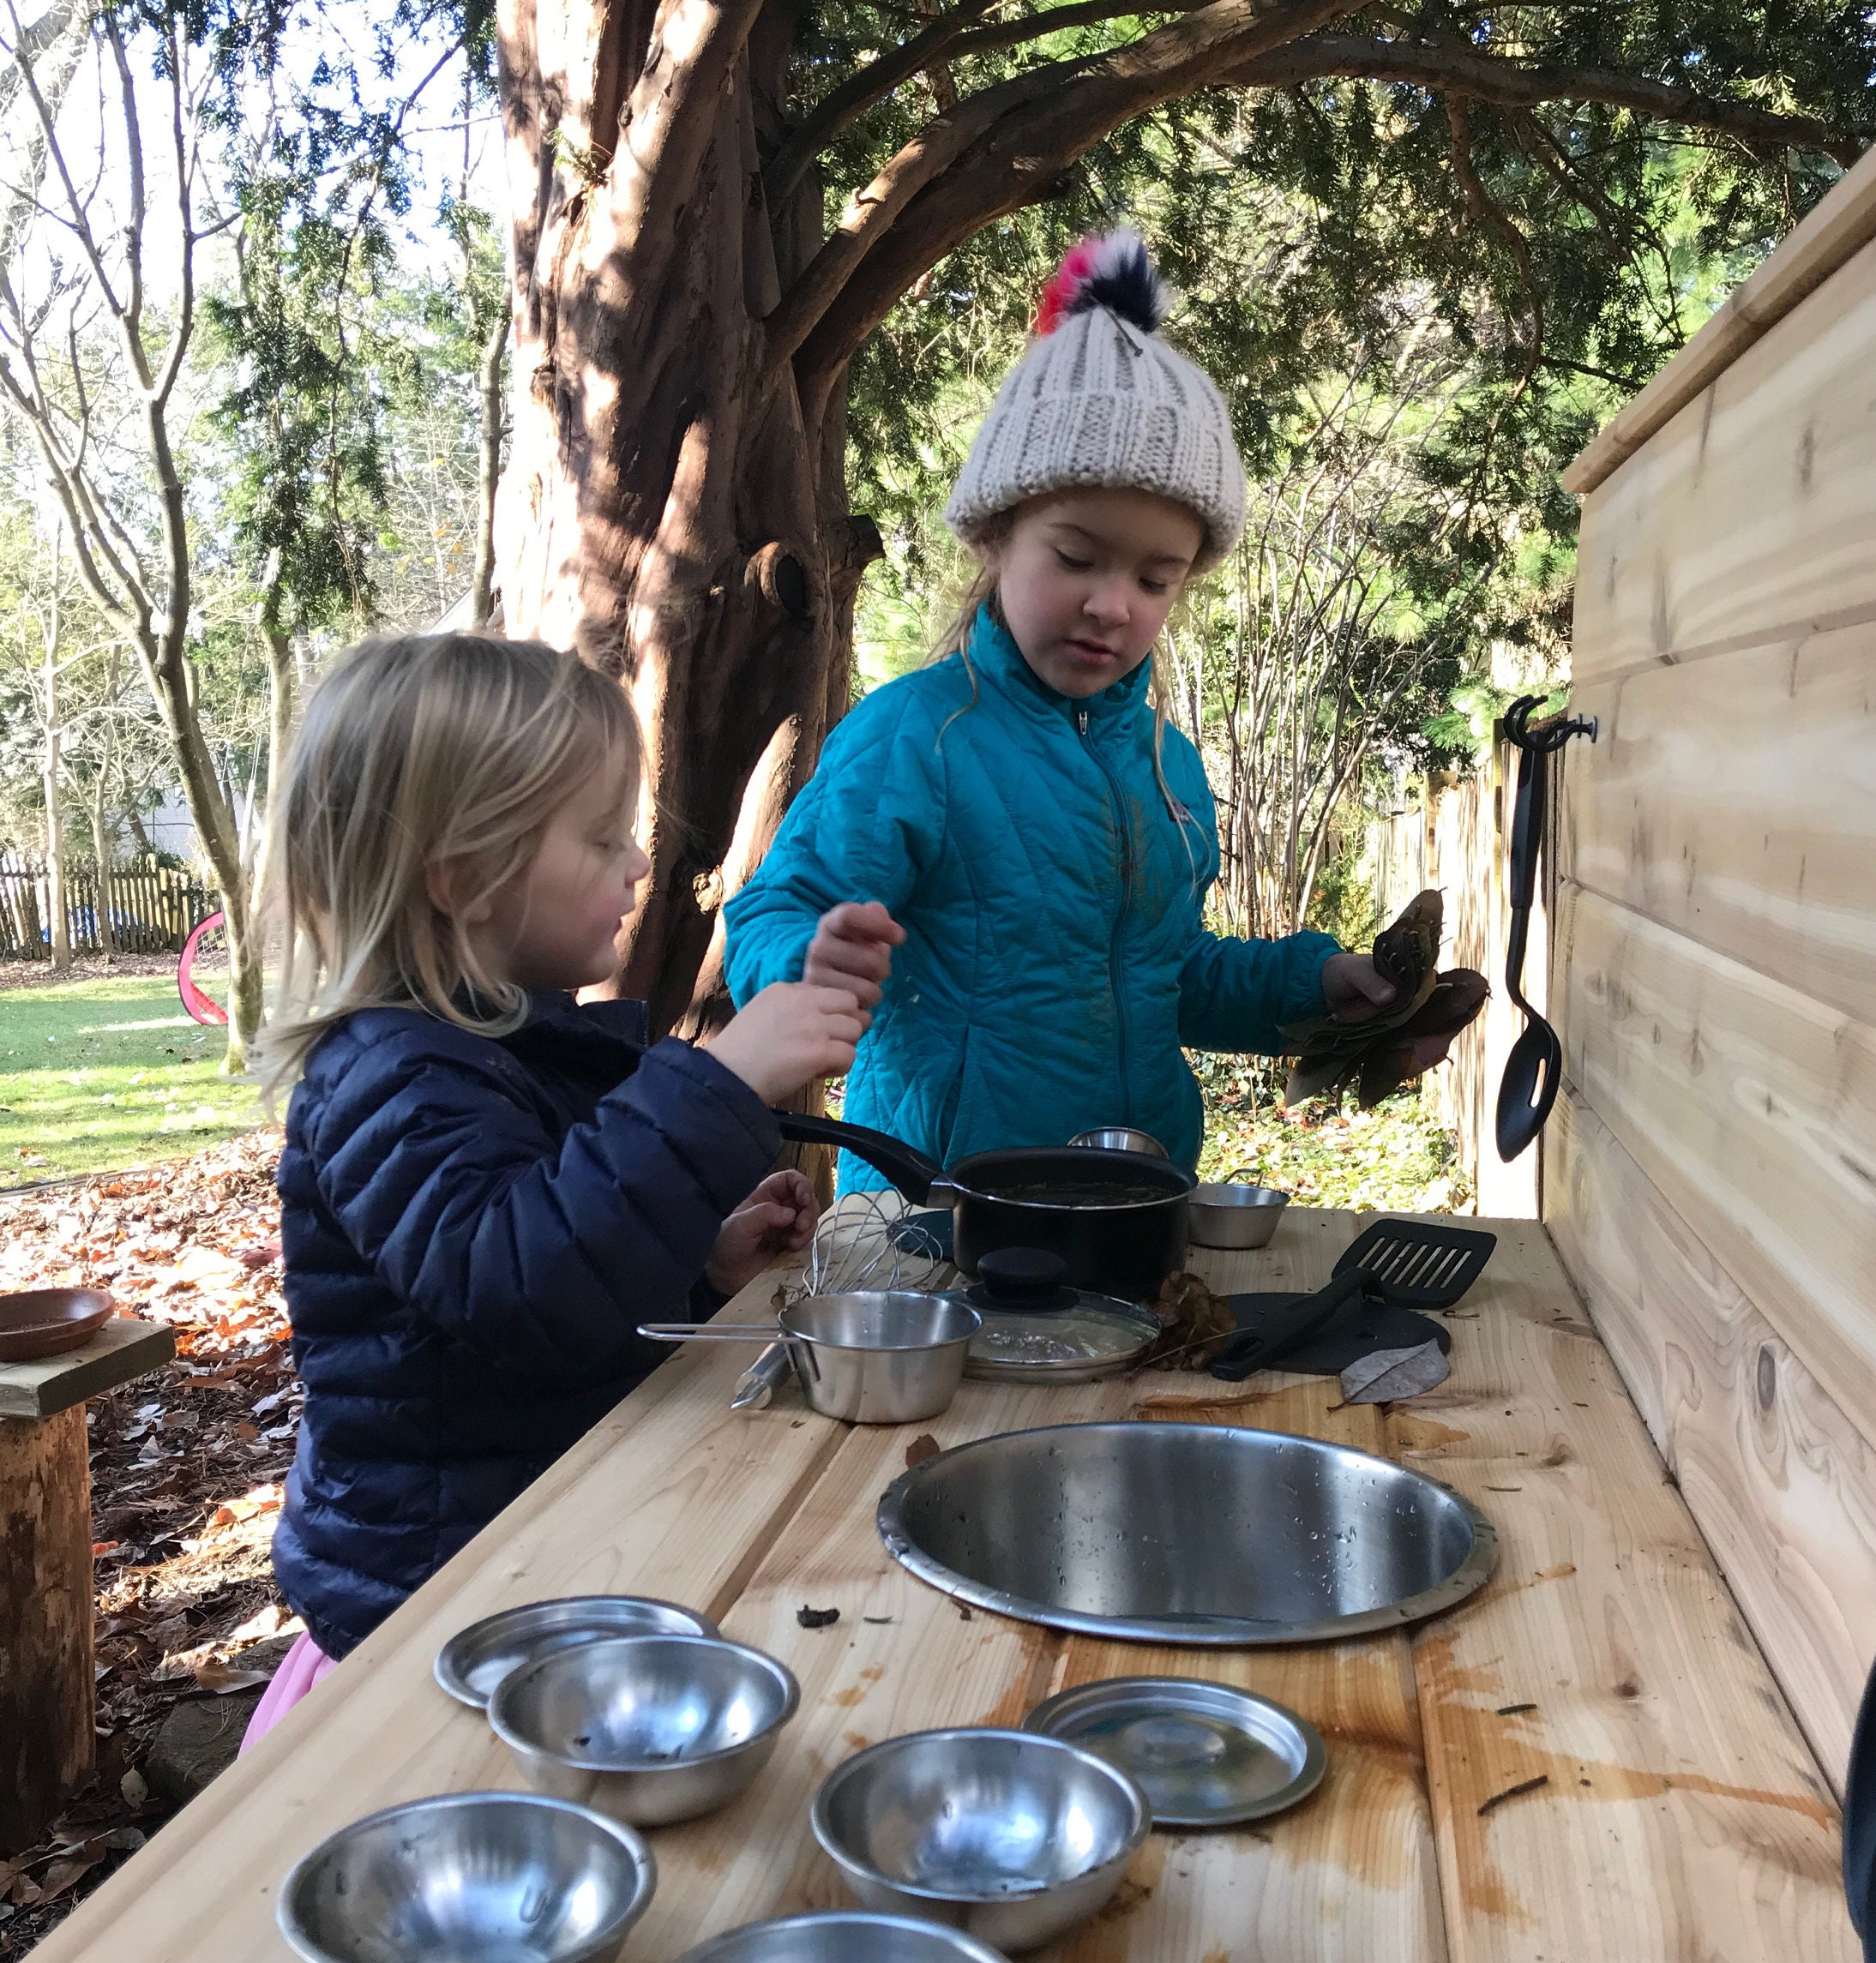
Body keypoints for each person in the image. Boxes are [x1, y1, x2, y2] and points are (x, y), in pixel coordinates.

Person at [724, 229, 1458, 1193]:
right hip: (938, 1217)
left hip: (1132, 1207)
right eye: (1076, 558)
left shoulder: (1166, 763)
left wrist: (1318, 985)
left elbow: (1173, 978)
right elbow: (774, 910)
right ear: (994, 532)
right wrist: (805, 965)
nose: (1114, 604)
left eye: (1157, 578)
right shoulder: (915, 737)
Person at [244, 633, 864, 1744]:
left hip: (524, 1567)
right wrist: (715, 1082)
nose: (638, 865)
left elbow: (556, 1261)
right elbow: (520, 1286)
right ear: (459, 874)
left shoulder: (503, 1053)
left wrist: (697, 1256)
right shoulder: (388, 1075)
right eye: (598, 836)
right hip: (426, 1626)